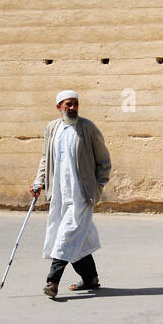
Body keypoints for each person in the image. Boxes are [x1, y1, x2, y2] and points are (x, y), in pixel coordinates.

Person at [31, 89, 112, 299]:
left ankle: (52, 281)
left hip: (81, 195)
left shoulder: (87, 128)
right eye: (68, 104)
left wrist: (99, 185)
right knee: (78, 237)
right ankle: (91, 278)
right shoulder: (52, 128)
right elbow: (45, 158)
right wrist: (39, 182)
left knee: (66, 235)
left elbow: (103, 160)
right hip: (59, 193)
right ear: (59, 107)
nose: (73, 108)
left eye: (76, 104)